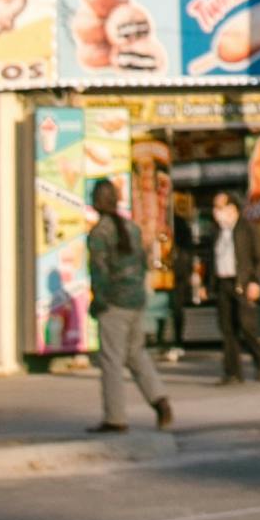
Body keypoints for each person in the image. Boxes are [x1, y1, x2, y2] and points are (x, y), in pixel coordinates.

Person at [83, 179, 173, 435]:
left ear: (97, 202)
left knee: (111, 361)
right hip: (136, 301)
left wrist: (98, 302)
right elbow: (143, 264)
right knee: (136, 354)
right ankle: (160, 400)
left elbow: (99, 273)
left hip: (114, 304)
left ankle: (115, 417)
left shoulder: (99, 233)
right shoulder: (132, 229)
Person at [200, 185, 260, 383]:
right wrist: (206, 284)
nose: (217, 212)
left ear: (233, 208)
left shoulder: (247, 228)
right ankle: (232, 372)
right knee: (227, 329)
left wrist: (255, 281)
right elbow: (210, 259)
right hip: (223, 282)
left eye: (221, 207)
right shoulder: (216, 232)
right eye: (215, 208)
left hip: (242, 283)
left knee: (247, 328)